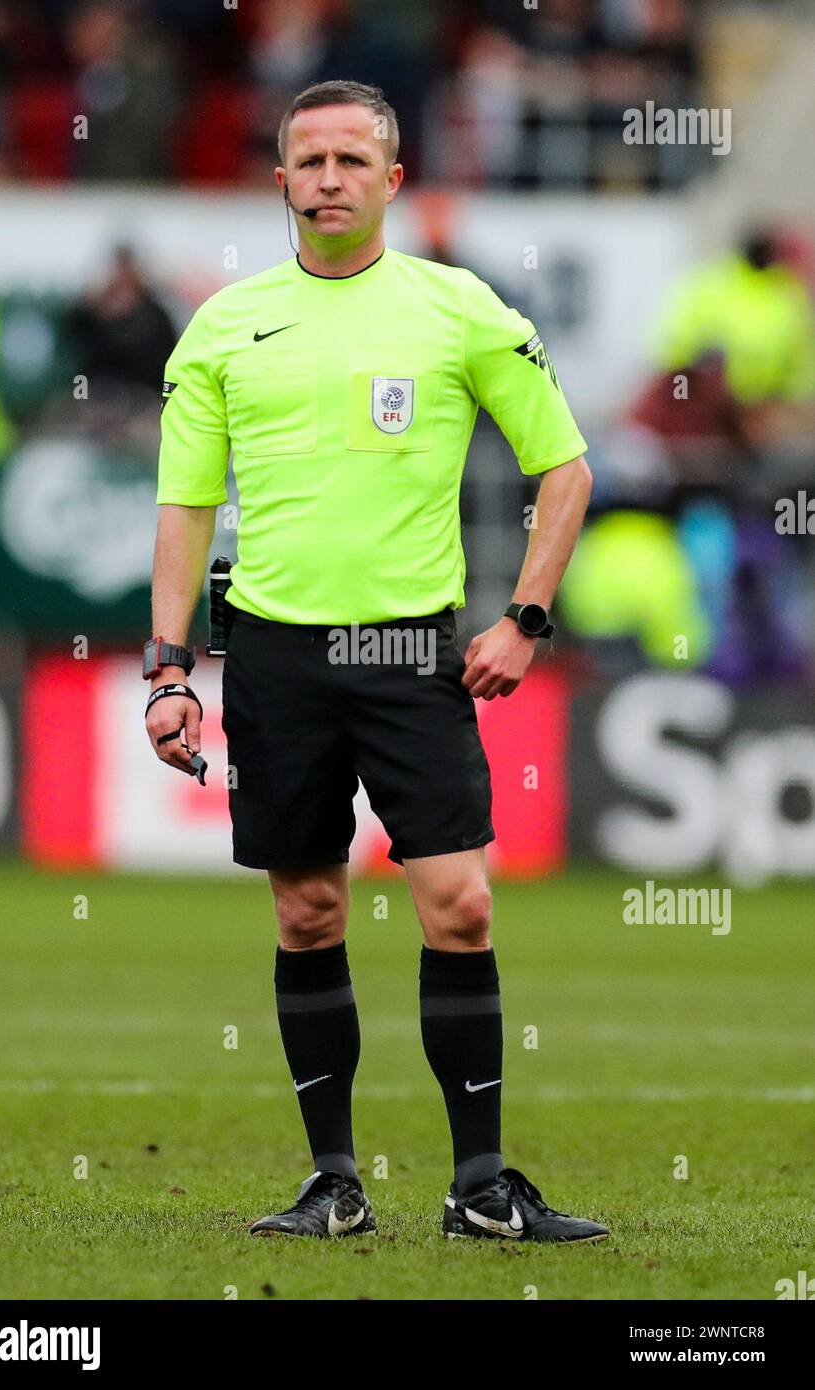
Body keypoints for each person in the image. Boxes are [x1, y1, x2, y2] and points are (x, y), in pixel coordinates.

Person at [145, 80, 606, 1245]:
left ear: (393, 180)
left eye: (353, 159)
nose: (330, 178)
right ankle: (334, 1183)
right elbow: (184, 508)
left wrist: (525, 618)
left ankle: (479, 1185)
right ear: (281, 181)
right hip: (275, 658)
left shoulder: (457, 309)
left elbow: (564, 469)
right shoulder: (224, 326)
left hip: (410, 654)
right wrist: (167, 670)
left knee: (460, 903)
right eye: (309, 161)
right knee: (307, 913)